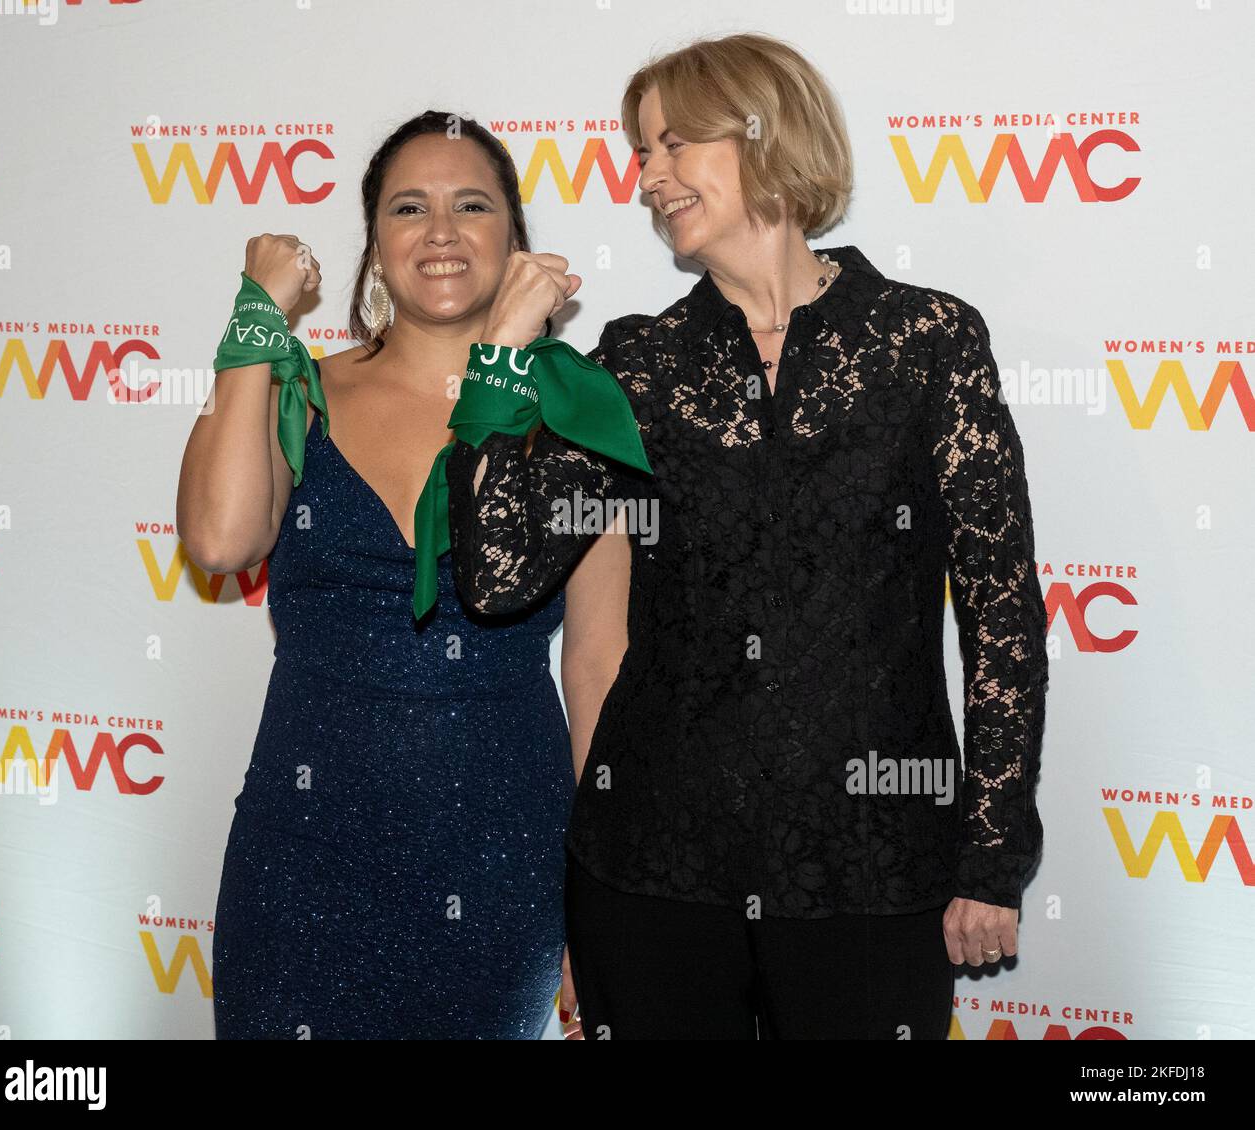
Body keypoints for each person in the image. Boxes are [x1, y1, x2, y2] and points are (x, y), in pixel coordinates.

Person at [444, 34, 1051, 1039]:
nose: (649, 177)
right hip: (650, 870)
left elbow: (1001, 616)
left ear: (768, 133)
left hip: (873, 862)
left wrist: (989, 856)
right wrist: (504, 355)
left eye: (674, 143)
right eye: (641, 153)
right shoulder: (634, 364)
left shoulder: (928, 341)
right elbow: (498, 572)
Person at [176, 110, 628, 1038]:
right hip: (303, 850)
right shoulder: (304, 387)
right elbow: (221, 540)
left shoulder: (575, 411)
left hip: (503, 856)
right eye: (408, 207)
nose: (442, 231)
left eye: (473, 205)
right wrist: (258, 314)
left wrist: (602, 905)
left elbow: (597, 668)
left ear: (515, 240)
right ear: (375, 244)